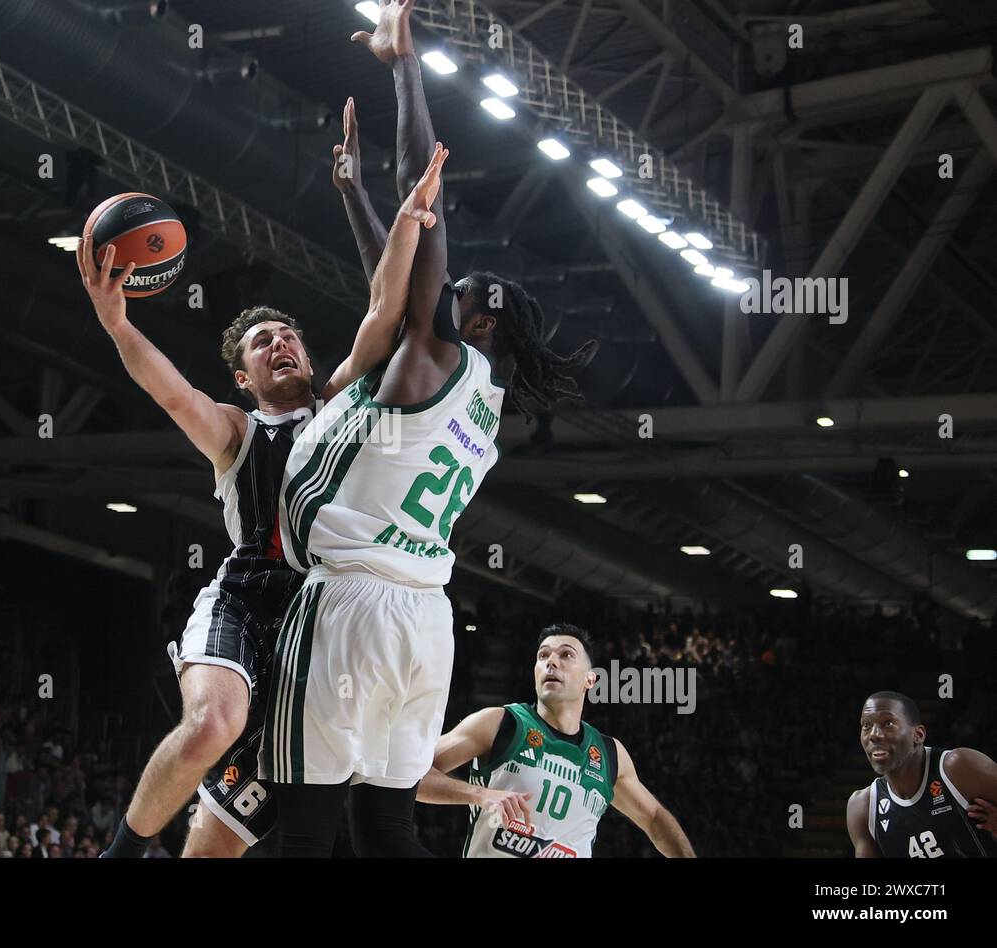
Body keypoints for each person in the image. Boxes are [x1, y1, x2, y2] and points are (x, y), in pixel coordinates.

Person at [260, 0, 595, 857]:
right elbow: (396, 286)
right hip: (424, 621)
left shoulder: (439, 354)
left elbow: (421, 226)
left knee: (299, 816)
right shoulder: (476, 396)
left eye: (463, 292)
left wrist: (402, 65)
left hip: (355, 604)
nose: (449, 294)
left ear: (475, 321)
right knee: (385, 822)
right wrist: (354, 196)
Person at [90, 144, 449, 858]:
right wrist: (120, 326)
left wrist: (401, 218)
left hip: (320, 628)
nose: (281, 343)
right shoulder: (239, 431)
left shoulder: (344, 403)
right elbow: (171, 392)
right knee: (210, 726)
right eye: (262, 342)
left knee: (216, 848)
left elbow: (385, 310)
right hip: (248, 599)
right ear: (244, 376)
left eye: (289, 335)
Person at [419, 625, 695, 857]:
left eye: (566, 655)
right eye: (543, 656)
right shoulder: (500, 723)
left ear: (590, 679)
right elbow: (412, 776)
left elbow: (655, 818)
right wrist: (480, 795)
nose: (552, 661)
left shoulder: (609, 754)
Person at [846, 691, 997, 857]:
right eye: (866, 726)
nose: (874, 735)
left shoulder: (959, 767)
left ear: (918, 735)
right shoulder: (863, 808)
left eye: (888, 723)